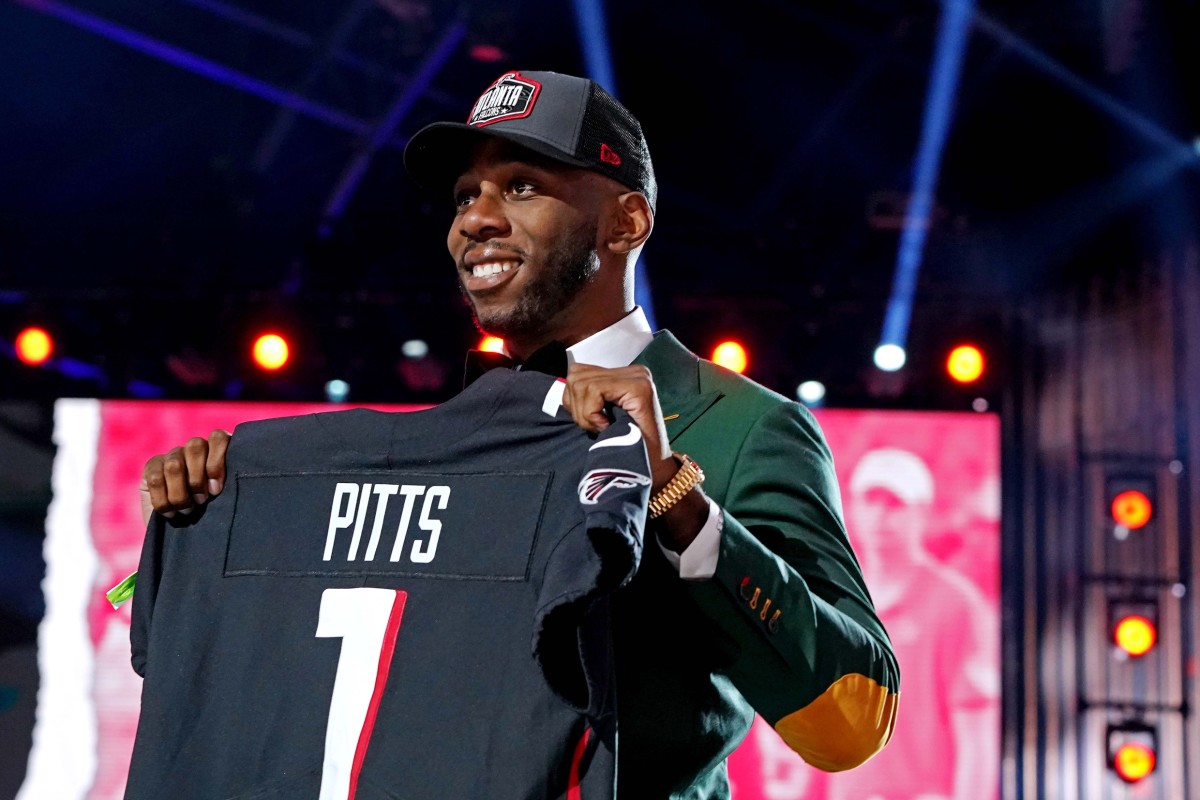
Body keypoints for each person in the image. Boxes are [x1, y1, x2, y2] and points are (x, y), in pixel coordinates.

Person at [139, 69, 899, 798]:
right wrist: (218, 512)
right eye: (465, 195)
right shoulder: (452, 441)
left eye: (523, 186)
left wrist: (674, 496)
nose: (475, 219)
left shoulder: (742, 426)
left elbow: (853, 723)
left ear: (627, 221)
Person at [826, 448, 999, 800]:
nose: (880, 515)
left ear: (923, 512)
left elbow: (977, 738)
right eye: (871, 500)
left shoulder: (956, 604)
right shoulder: (834, 599)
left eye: (895, 503)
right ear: (852, 508)